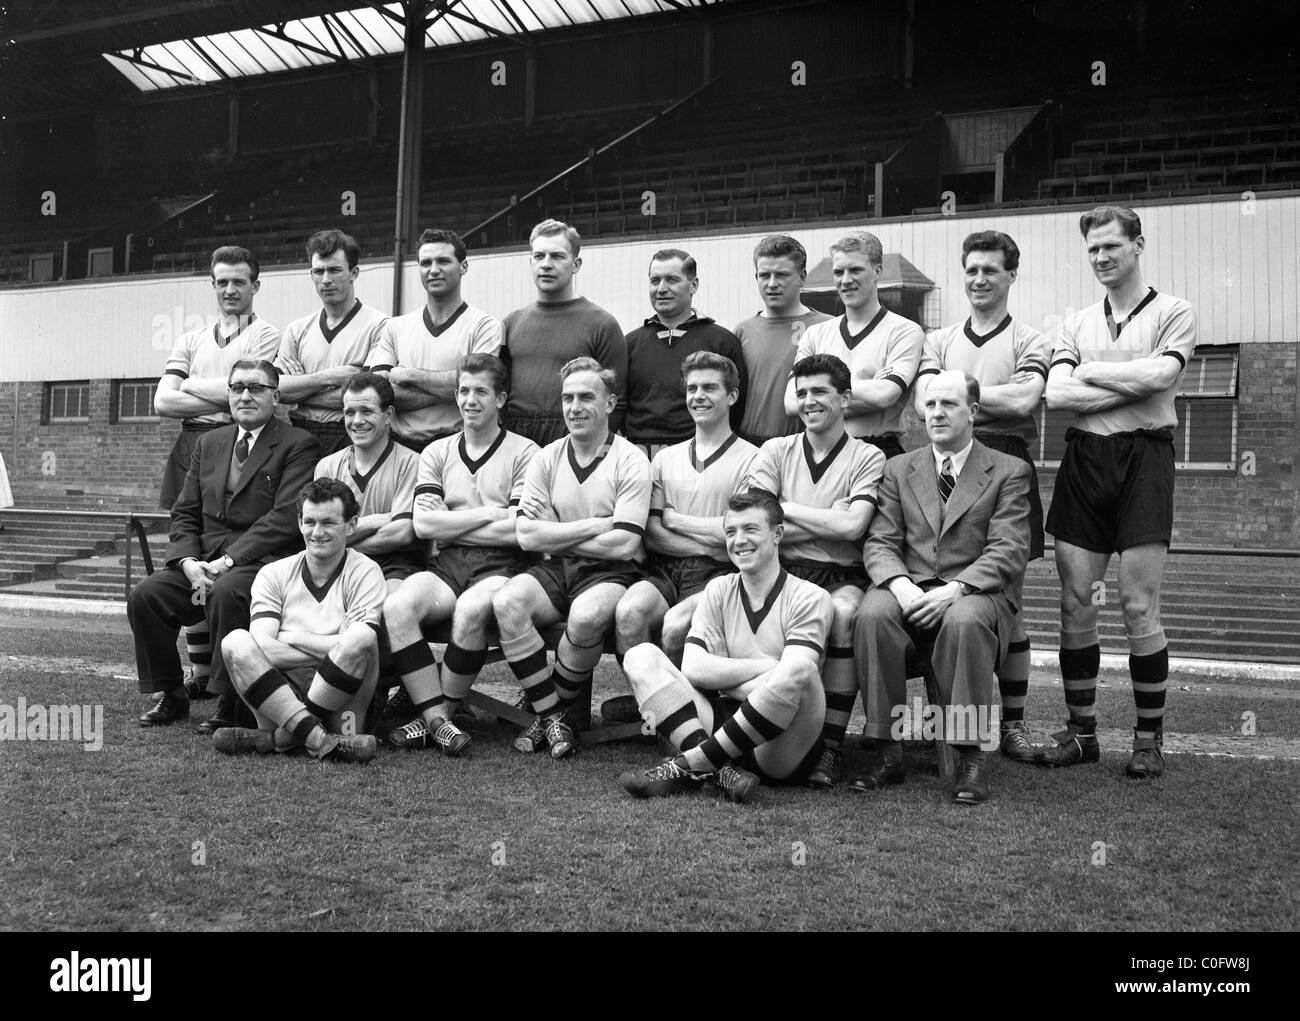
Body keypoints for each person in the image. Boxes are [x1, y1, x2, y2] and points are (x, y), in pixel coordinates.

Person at [1042, 205, 1197, 779]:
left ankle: (1148, 739)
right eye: (1093, 249)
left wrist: (1091, 374)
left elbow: (1163, 378)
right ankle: (1083, 732)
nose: (1102, 257)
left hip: (1145, 457)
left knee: (1136, 604)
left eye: (1112, 245)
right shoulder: (1075, 321)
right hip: (1084, 457)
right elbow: (1057, 396)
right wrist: (1132, 376)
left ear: (1138, 245)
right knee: (1075, 600)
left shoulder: (1174, 311)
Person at [853, 370, 1032, 805]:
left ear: (972, 412)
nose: (937, 413)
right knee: (872, 613)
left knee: (966, 621)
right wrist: (898, 584)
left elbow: (1009, 549)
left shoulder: (1009, 470)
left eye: (948, 404)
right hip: (910, 585)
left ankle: (970, 756)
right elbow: (880, 541)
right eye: (930, 404)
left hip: (975, 594)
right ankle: (887, 748)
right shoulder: (898, 468)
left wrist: (957, 589)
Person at [913, 230, 1050, 764]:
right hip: (943, 463)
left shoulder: (1031, 339)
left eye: (991, 269)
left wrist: (961, 396)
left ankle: (1011, 727)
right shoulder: (941, 337)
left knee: (1007, 608)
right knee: (937, 591)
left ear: (1011, 275)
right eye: (971, 269)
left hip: (1004, 462)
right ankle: (936, 721)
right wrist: (975, 400)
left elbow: (1026, 399)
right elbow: (927, 400)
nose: (979, 278)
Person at [128, 360, 321, 733]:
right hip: (201, 563)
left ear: (276, 396)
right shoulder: (209, 442)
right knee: (146, 595)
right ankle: (172, 692)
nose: (245, 395)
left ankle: (232, 699)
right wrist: (186, 561)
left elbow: (284, 518)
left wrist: (228, 561)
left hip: (259, 563)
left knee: (228, 594)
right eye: (237, 387)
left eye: (257, 388)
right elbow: (184, 511)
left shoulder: (298, 444)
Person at [617, 490, 833, 804]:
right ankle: (721, 771)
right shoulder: (718, 589)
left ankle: (692, 764)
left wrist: (724, 678)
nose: (739, 540)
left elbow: (794, 679)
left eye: (751, 529)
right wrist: (769, 667)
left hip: (779, 743)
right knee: (639, 656)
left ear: (778, 534)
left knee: (799, 669)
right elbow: (693, 670)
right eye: (731, 532)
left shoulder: (811, 597)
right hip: (721, 722)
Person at [491, 356, 650, 759]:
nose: (574, 407)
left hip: (612, 572)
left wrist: (557, 530)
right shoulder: (547, 457)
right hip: (559, 567)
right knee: (507, 602)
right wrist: (597, 525)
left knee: (585, 615)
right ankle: (553, 716)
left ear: (610, 404)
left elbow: (625, 546)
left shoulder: (631, 459)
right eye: (567, 398)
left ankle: (544, 712)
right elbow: (526, 535)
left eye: (586, 397)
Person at [381, 353, 539, 754]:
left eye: (481, 391)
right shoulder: (437, 451)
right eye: (464, 390)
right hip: (448, 565)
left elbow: (518, 530)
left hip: (501, 567)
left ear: (501, 399)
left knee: (470, 609)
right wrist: (490, 512)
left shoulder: (526, 452)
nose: (470, 400)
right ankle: (436, 719)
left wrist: (456, 517)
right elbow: (424, 525)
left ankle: (437, 717)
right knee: (398, 606)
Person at [745, 353, 884, 788]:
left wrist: (785, 511)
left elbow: (853, 526)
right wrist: (824, 517)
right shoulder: (775, 449)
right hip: (784, 569)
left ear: (845, 398)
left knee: (841, 614)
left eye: (819, 391)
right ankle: (757, 734)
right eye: (801, 392)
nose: (808, 401)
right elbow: (759, 521)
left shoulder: (868, 455)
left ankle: (829, 747)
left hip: (843, 573)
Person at [153, 246, 281, 698]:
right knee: (194, 549)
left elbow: (242, 393)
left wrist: (192, 385)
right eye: (222, 281)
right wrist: (221, 393)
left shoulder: (267, 335)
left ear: (255, 286)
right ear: (212, 285)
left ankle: (212, 675)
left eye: (239, 281)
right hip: (194, 442)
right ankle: (199, 671)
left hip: (237, 440)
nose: (230, 289)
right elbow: (162, 401)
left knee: (225, 555)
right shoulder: (191, 339)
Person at [212, 478, 385, 764]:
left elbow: (357, 648)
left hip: (346, 710)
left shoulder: (366, 572)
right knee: (236, 642)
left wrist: (290, 635)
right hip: (281, 695)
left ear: (351, 525)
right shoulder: (273, 573)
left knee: (362, 640)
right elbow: (262, 649)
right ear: (299, 522)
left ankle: (282, 738)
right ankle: (320, 739)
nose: (317, 532)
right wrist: (332, 646)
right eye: (310, 522)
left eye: (329, 522)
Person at [614, 352, 758, 665]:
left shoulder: (754, 459)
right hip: (667, 569)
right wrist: (709, 544)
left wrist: (676, 519)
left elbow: (739, 535)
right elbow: (652, 534)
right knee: (628, 614)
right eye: (692, 389)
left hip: (723, 574)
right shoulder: (665, 458)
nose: (698, 396)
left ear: (731, 395)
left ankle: (684, 709)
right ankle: (650, 705)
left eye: (709, 388)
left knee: (676, 626)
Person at [785, 231, 924, 458]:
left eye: (855, 270)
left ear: (877, 271)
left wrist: (816, 396)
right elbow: (791, 402)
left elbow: (885, 396)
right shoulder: (815, 334)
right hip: (820, 450)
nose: (846, 280)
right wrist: (867, 388)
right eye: (839, 272)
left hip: (878, 449)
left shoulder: (905, 331)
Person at [370, 228, 501, 452]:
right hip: (402, 447)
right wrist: (453, 385)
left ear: (463, 267)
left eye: (443, 261)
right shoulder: (395, 327)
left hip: (460, 446)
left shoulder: (485, 326)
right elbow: (378, 394)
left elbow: (478, 387)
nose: (433, 270)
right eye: (425, 263)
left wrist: (409, 375)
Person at [500, 220, 627, 446]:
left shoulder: (602, 324)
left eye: (557, 256)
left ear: (576, 264)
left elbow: (618, 402)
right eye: (539, 256)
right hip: (517, 442)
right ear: (530, 261)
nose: (546, 264)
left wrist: (593, 451)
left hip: (575, 439)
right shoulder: (511, 323)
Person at [622, 249, 747, 458]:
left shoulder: (722, 342)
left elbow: (737, 405)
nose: (661, 288)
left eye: (672, 280)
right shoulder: (630, 343)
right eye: (655, 281)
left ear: (694, 285)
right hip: (641, 457)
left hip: (701, 456)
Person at [275, 229, 387, 456]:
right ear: (311, 274)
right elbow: (279, 391)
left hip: (352, 433)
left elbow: (367, 396)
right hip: (301, 433)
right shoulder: (297, 330)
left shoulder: (380, 326)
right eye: (319, 271)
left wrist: (303, 388)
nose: (326, 280)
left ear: (354, 272)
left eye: (335, 270)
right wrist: (328, 378)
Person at [313, 372, 422, 591]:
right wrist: (374, 522)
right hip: (338, 564)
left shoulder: (412, 462)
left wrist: (342, 539)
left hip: (394, 566)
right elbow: (319, 533)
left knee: (390, 604)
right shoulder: (327, 466)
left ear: (388, 414)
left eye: (367, 411)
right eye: (350, 413)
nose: (357, 421)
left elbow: (401, 533)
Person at [733, 234, 831, 446]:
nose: (772, 283)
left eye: (782, 275)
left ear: (802, 277)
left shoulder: (827, 327)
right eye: (764, 275)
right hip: (749, 446)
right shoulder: (742, 331)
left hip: (806, 446)